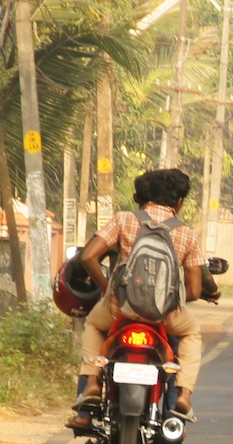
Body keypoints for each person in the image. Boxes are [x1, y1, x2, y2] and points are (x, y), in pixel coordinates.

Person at [66, 168, 205, 430]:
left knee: (94, 325)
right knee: (191, 333)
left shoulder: (124, 219)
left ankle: (91, 388)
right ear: (179, 202)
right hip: (166, 315)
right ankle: (183, 396)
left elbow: (87, 257)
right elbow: (196, 291)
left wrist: (109, 290)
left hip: (121, 309)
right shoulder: (188, 234)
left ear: (147, 195)